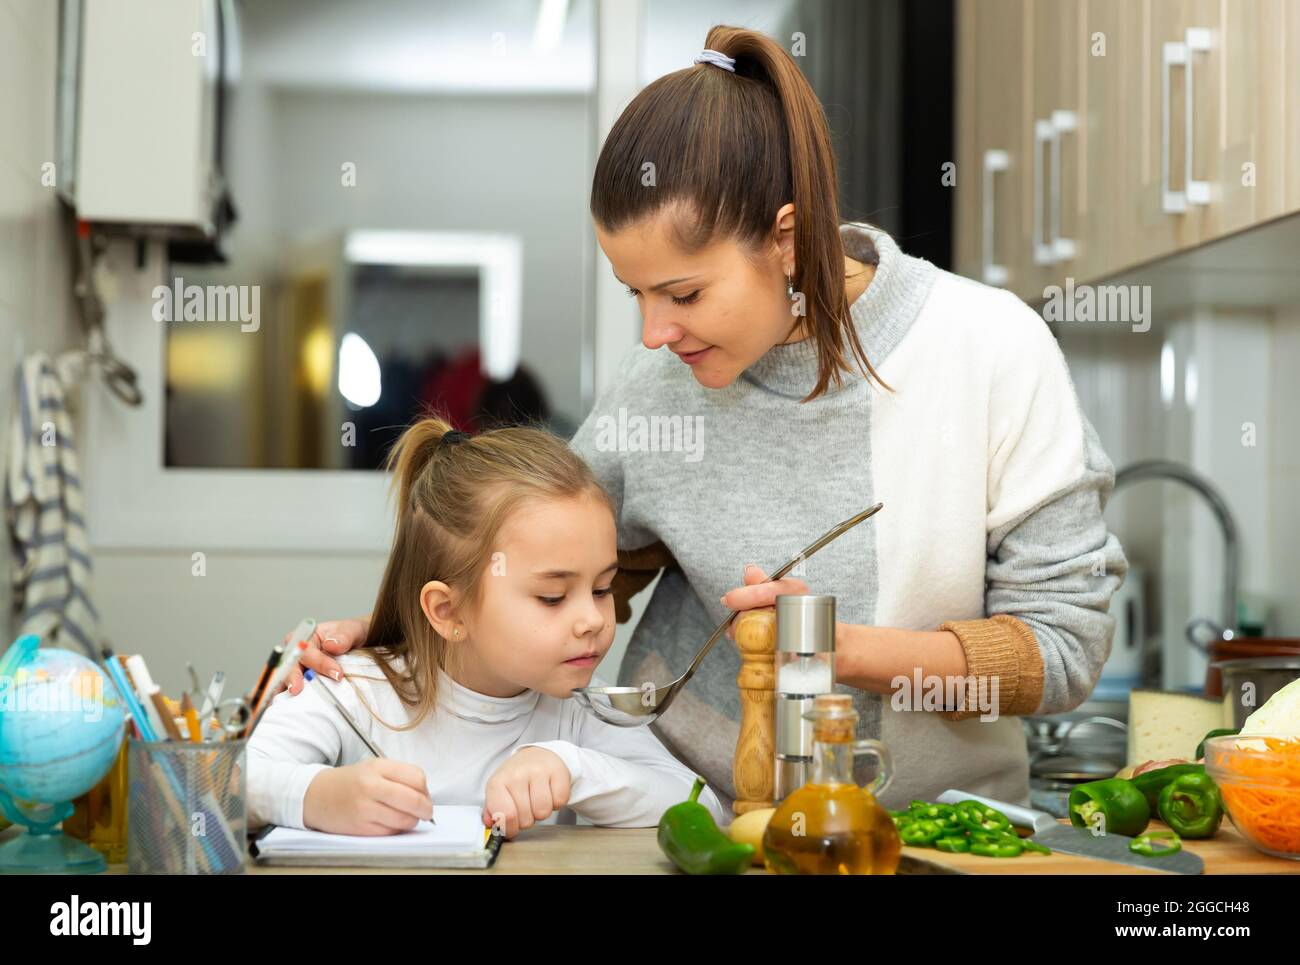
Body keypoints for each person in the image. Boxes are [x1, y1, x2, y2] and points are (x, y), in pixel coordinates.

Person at [289, 25, 1126, 812]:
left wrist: (827, 649)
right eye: (636, 294)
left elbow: (1062, 651)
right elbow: (544, 570)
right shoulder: (659, 379)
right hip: (685, 828)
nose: (654, 333)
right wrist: (409, 633)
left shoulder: (991, 349)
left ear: (786, 239)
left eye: (683, 293)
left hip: (934, 839)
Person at [247, 416, 725, 835]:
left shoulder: (577, 709)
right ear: (448, 611)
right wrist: (320, 796)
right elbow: (230, 781)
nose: (593, 619)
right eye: (553, 596)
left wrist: (573, 769)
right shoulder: (346, 687)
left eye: (602, 588)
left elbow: (700, 805)